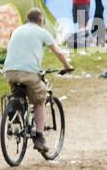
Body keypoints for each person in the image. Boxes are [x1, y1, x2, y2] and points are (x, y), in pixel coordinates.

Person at [4, 9, 73, 156]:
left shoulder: (16, 30)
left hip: (9, 72)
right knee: (39, 100)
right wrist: (67, 66)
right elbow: (58, 52)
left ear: (26, 19)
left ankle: (14, 110)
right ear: (40, 21)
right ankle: (39, 137)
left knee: (18, 91)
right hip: (28, 73)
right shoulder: (42, 32)